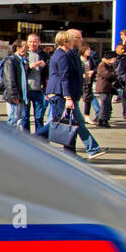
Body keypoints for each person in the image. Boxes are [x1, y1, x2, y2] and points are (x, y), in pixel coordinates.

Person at [46, 29, 108, 158]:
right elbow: (65, 77)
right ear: (70, 40)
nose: (82, 40)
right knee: (57, 124)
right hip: (61, 94)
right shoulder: (63, 55)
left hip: (68, 95)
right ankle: (32, 140)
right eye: (79, 38)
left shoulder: (70, 53)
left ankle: (77, 152)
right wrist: (68, 97)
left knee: (73, 123)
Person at [23, 33, 49, 133]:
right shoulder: (25, 54)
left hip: (39, 90)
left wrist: (45, 66)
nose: (32, 44)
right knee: (25, 117)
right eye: (30, 41)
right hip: (27, 89)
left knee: (39, 117)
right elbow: (20, 71)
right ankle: (26, 138)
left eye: (34, 41)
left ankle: (39, 138)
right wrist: (30, 67)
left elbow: (48, 73)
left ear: (39, 42)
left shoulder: (43, 55)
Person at [1, 38, 28, 130]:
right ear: (18, 48)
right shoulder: (11, 61)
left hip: (21, 96)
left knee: (18, 120)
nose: (27, 48)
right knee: (13, 119)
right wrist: (14, 96)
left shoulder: (22, 61)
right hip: (15, 97)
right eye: (25, 46)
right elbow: (9, 80)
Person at [93, 50, 116, 128]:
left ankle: (105, 118)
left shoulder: (108, 65)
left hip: (107, 88)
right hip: (103, 88)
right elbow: (107, 75)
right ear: (109, 58)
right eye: (113, 58)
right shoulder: (102, 65)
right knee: (104, 104)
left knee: (107, 104)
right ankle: (101, 119)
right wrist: (114, 74)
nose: (114, 60)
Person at [113, 44, 126, 118]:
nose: (123, 50)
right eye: (121, 49)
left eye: (124, 49)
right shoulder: (113, 57)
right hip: (113, 79)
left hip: (122, 79)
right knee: (108, 97)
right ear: (117, 49)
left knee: (123, 96)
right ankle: (107, 112)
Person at [78, 44, 96, 115]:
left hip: (88, 82)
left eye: (89, 50)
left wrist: (93, 71)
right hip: (80, 83)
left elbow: (96, 68)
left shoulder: (90, 59)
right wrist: (81, 74)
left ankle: (87, 115)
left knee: (88, 99)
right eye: (87, 50)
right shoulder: (78, 59)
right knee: (76, 99)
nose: (89, 51)